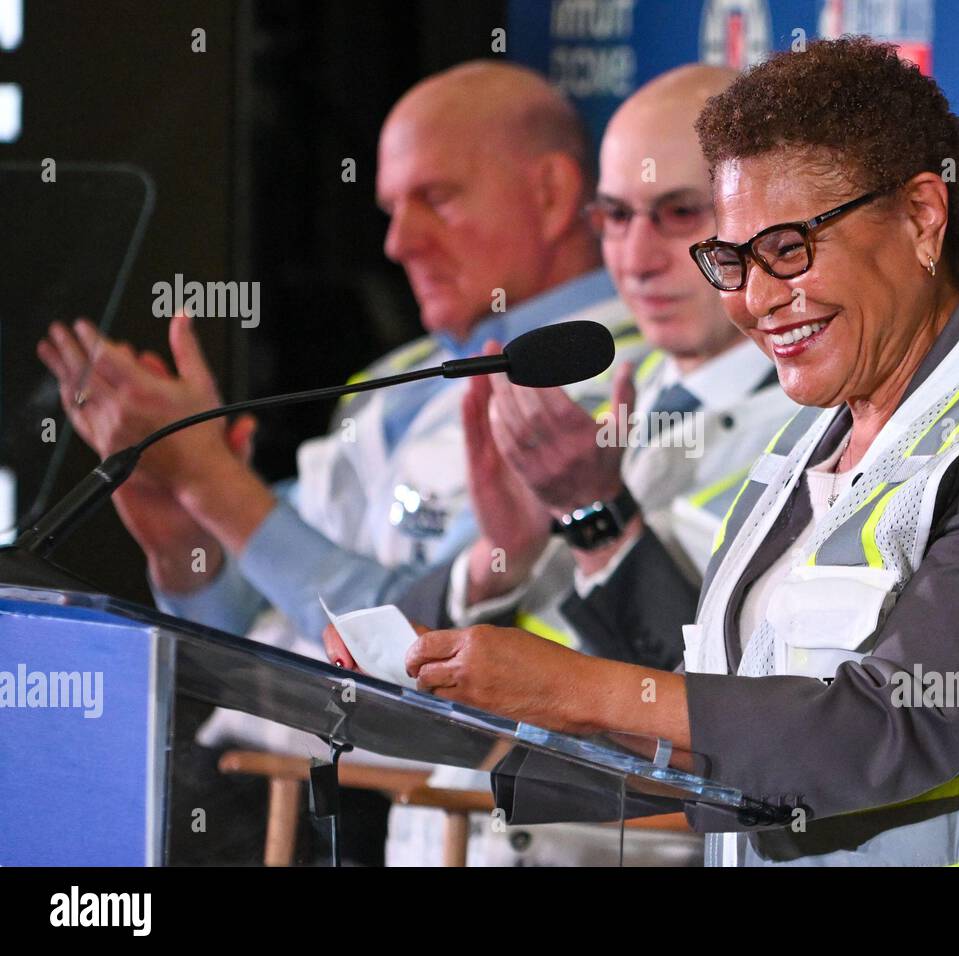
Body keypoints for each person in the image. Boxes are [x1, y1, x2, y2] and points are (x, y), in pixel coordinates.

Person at [359, 38, 959, 867]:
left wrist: (571, 689)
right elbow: (749, 737)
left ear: (921, 217)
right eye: (731, 260)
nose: (756, 300)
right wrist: (466, 715)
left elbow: (887, 728)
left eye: (790, 250)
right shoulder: (809, 442)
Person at [36, 60, 642, 862]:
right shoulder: (397, 374)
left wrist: (216, 483)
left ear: (554, 194)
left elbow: (420, 643)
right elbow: (251, 626)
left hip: (432, 812)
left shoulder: (623, 377)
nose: (398, 241)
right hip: (273, 788)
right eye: (391, 208)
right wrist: (184, 542)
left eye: (438, 198)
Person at [379, 63, 797, 866]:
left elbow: (737, 734)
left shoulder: (821, 426)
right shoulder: (581, 391)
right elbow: (392, 673)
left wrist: (598, 520)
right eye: (613, 216)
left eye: (679, 213)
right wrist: (499, 557)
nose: (634, 258)